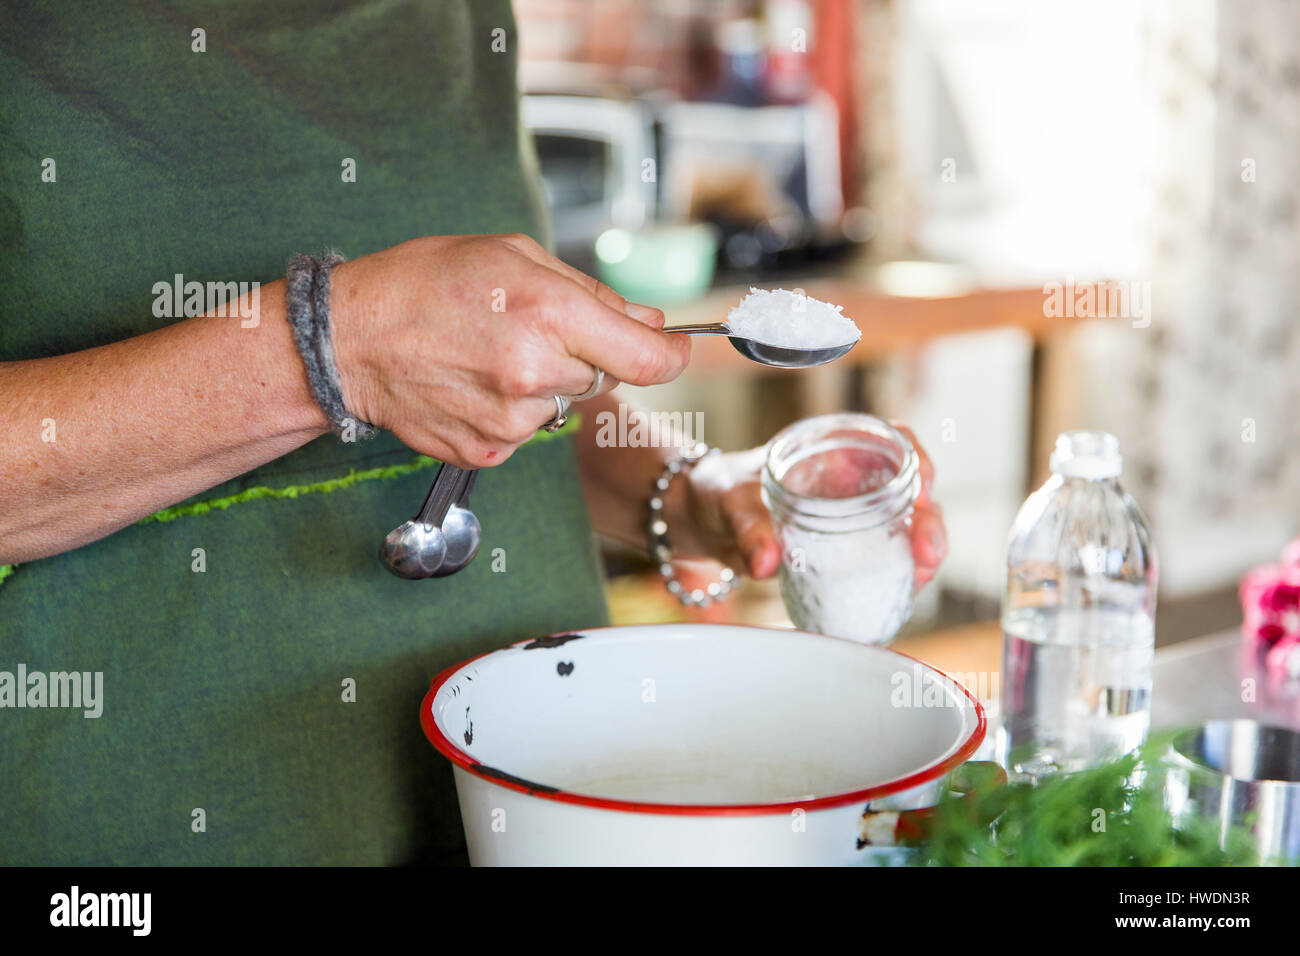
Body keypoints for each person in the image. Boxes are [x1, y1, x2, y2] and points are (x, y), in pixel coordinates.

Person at [0, 1, 946, 864]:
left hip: (537, 803)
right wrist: (336, 347)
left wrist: (689, 489)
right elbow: (393, 343)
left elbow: (505, 370)